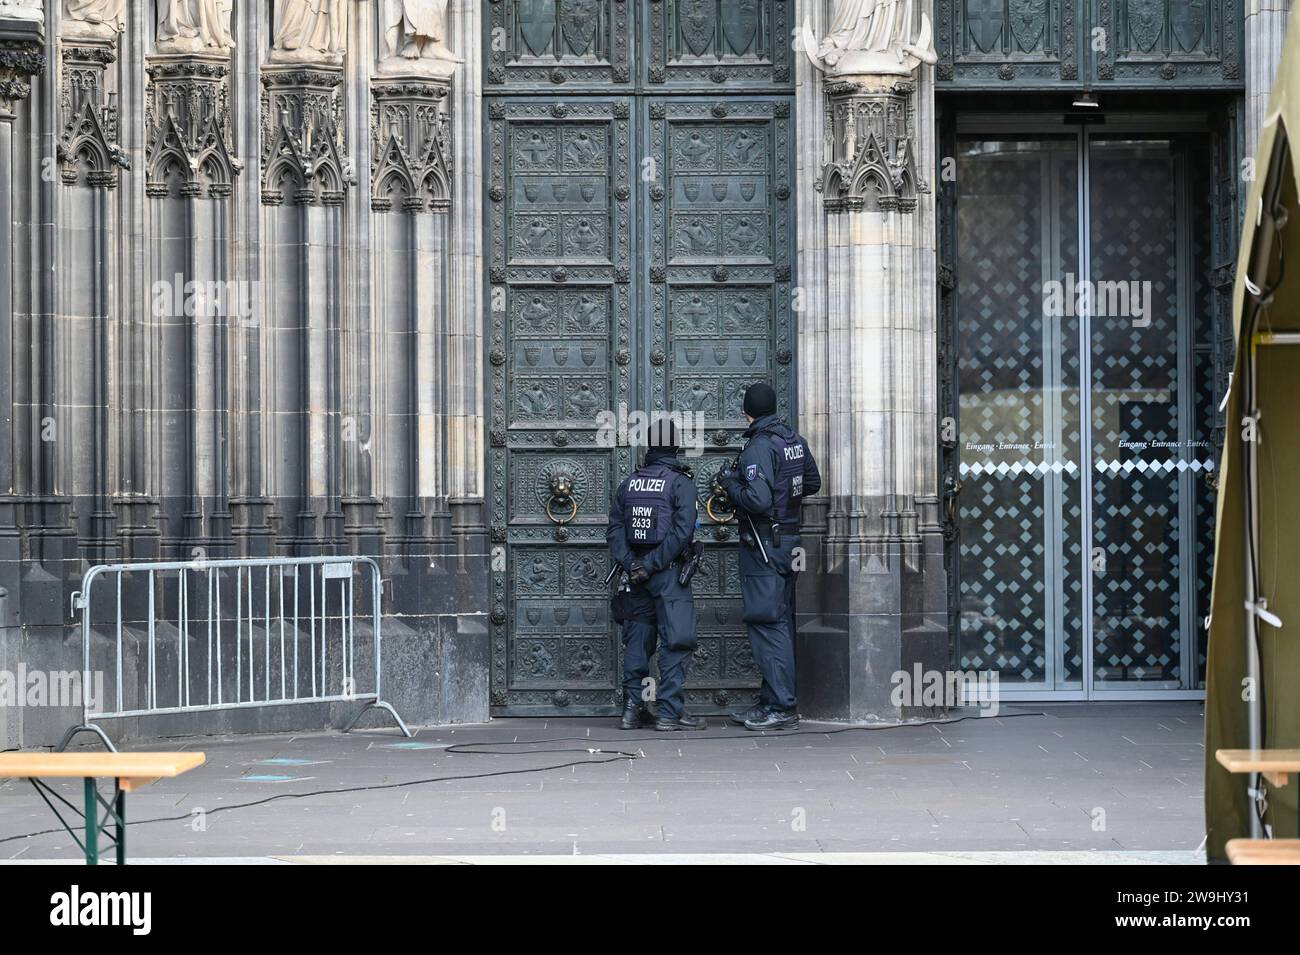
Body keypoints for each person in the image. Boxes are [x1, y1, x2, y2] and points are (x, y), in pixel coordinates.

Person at [716, 383, 821, 731]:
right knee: (780, 619)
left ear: (747, 412)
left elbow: (757, 500)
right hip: (789, 541)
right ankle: (770, 700)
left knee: (767, 622)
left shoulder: (759, 447)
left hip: (764, 544)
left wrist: (730, 485)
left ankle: (781, 705)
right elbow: (812, 483)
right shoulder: (793, 440)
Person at [606, 420, 704, 731]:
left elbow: (614, 529)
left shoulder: (630, 483)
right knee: (677, 640)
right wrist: (653, 564)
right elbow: (681, 532)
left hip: (635, 576)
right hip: (668, 575)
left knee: (637, 642)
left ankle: (632, 710)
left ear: (650, 447)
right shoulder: (680, 483)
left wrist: (632, 563)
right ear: (675, 447)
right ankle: (668, 712)